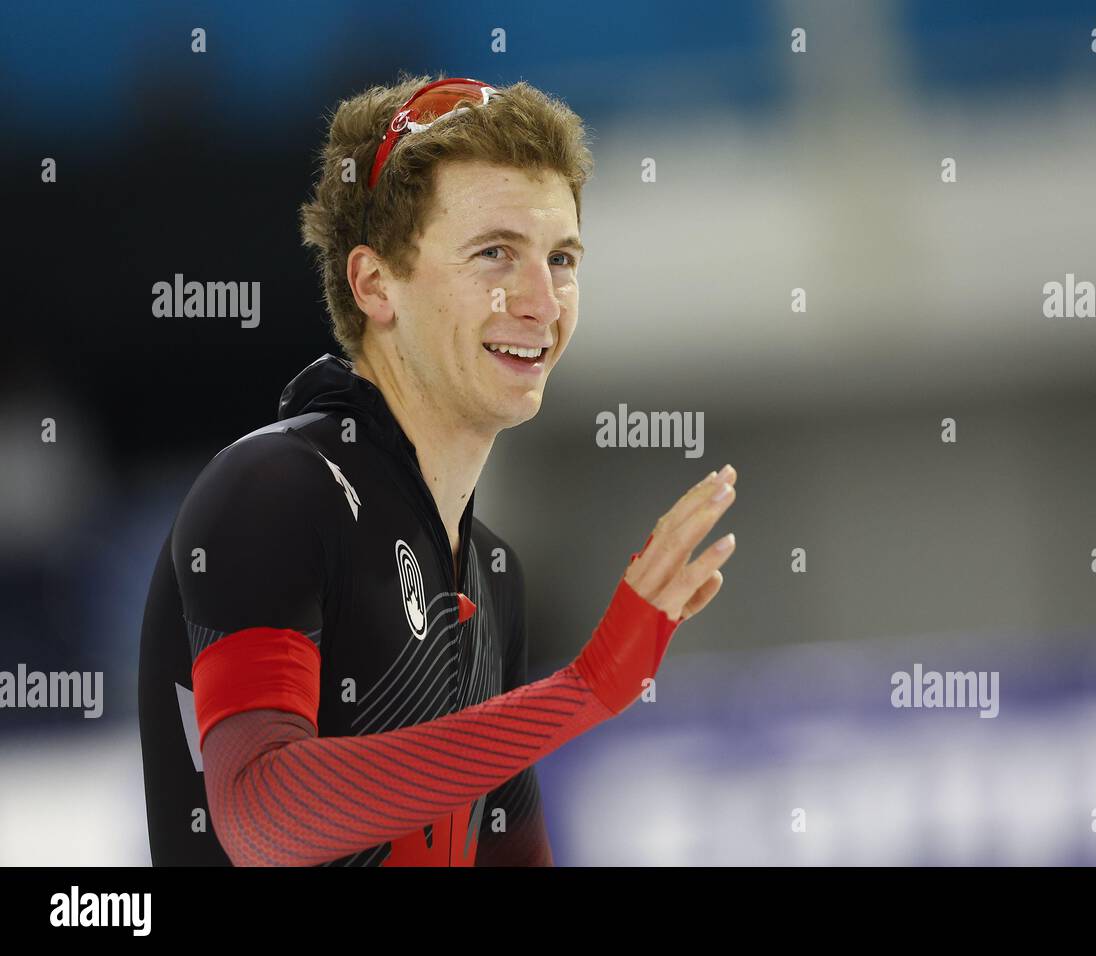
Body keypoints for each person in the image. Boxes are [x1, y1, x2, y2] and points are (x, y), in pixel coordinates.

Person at [137, 73, 738, 867]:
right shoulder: (273, 492)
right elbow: (259, 811)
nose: (542, 303)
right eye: (495, 254)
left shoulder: (492, 573)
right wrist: (584, 690)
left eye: (560, 258)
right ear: (375, 284)